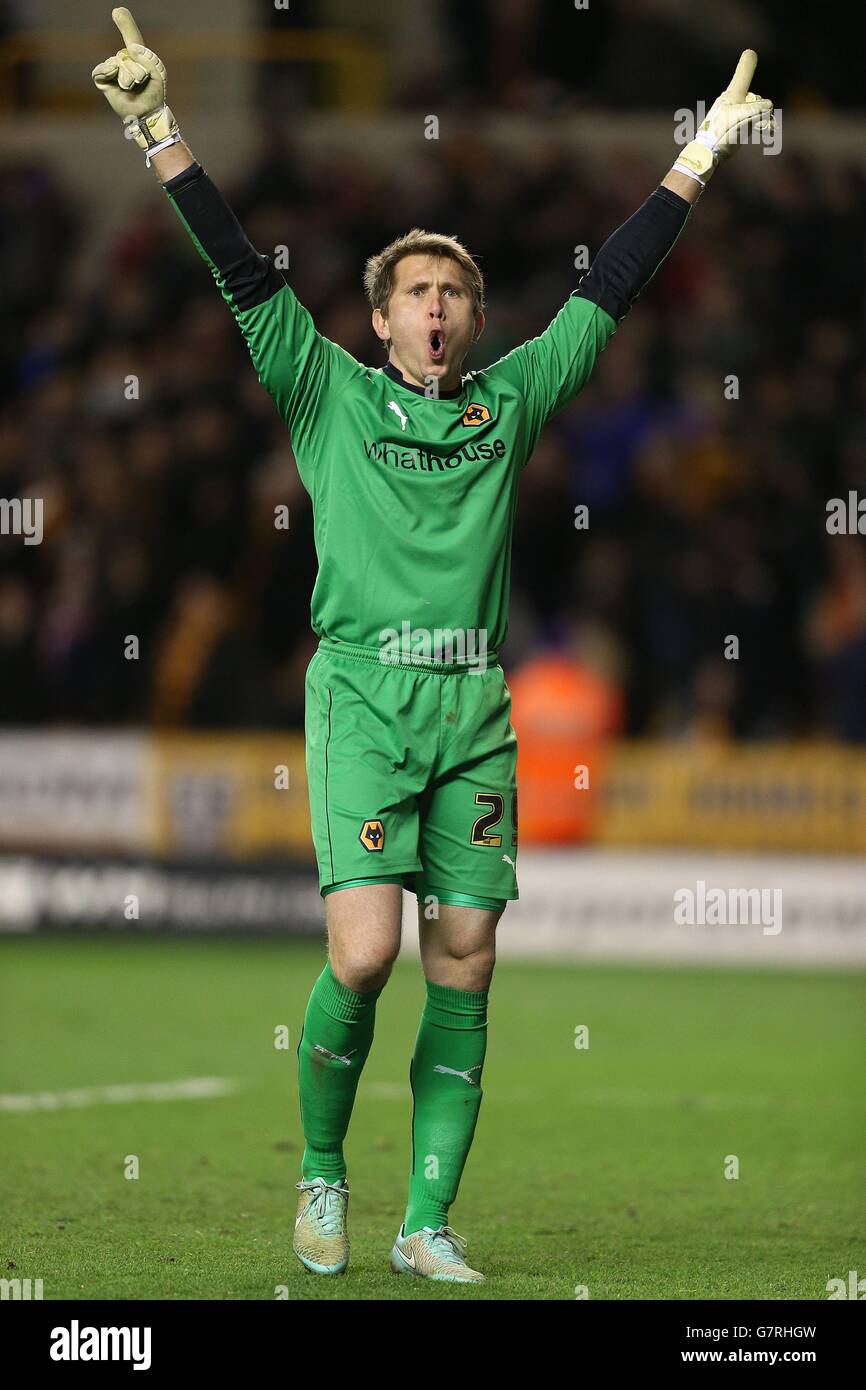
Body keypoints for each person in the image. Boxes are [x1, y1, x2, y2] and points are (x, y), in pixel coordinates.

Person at [93, 8, 773, 1284]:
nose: (443, 304)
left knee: (464, 958)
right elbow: (239, 265)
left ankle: (425, 1225)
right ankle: (318, 1175)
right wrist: (157, 129)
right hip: (358, 694)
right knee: (362, 952)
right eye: (420, 290)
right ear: (381, 317)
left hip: (471, 707)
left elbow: (606, 288)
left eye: (457, 287)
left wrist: (700, 154)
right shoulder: (321, 389)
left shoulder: (508, 400)